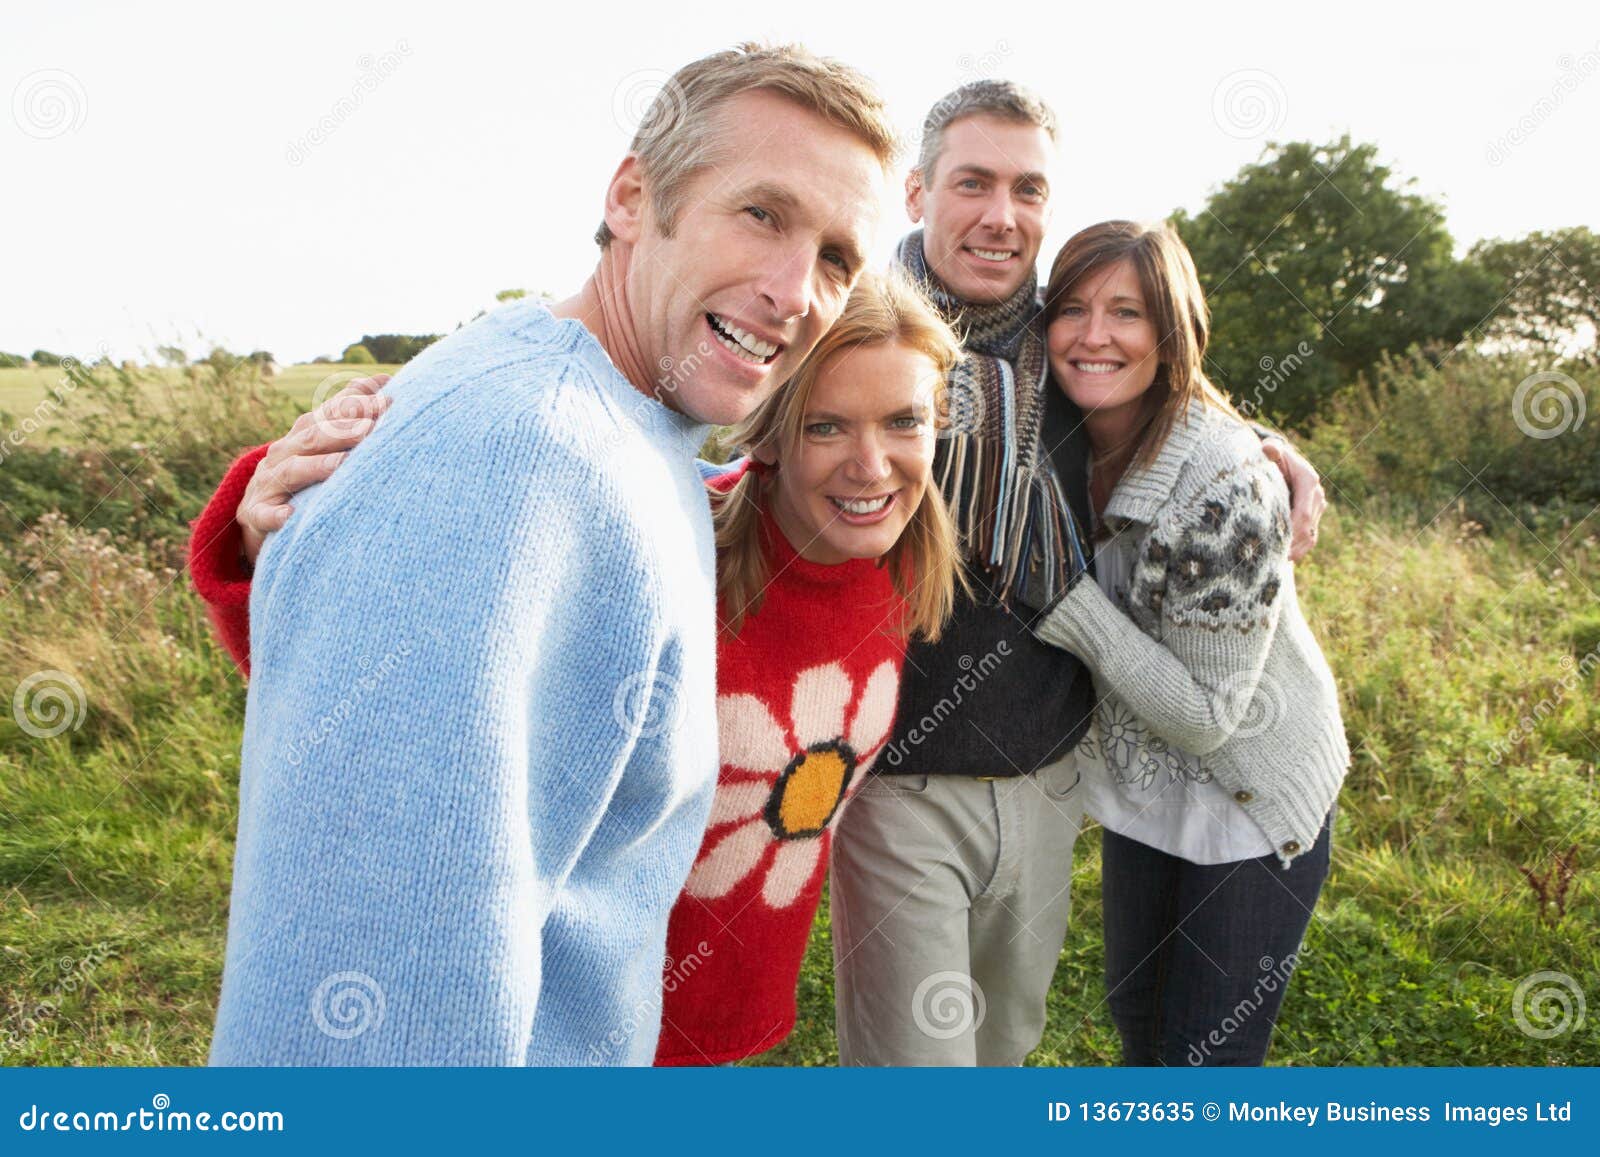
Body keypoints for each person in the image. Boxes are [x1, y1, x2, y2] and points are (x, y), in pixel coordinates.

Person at [198, 42, 897, 1066]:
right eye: (763, 213)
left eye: (838, 256)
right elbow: (377, 1001)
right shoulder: (526, 462)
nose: (797, 289)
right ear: (631, 196)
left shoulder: (628, 428)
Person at [827, 80, 1328, 1067]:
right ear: (918, 191)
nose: (1000, 214)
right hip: (899, 777)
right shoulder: (847, 332)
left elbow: (1163, 390)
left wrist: (1261, 446)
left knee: (1007, 1044)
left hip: (1050, 773)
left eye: (1028, 188)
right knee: (915, 1072)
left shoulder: (1063, 347)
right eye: (973, 182)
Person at [1032, 220, 1349, 1066]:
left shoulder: (1227, 484)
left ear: (1170, 336)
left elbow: (1209, 715)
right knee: (1139, 1022)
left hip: (1251, 793)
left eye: (1127, 313)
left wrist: (1068, 603)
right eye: (1072, 308)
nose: (1093, 335)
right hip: (1151, 783)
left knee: (1206, 1054)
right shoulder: (1055, 434)